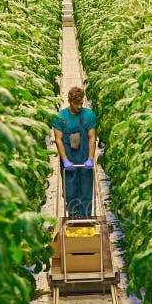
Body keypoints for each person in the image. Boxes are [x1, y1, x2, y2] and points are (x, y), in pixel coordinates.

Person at [52, 86, 97, 217]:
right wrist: (65, 160)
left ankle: (85, 219)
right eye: (76, 103)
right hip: (69, 160)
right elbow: (59, 139)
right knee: (70, 191)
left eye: (81, 103)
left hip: (84, 159)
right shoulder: (60, 117)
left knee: (86, 190)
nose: (79, 106)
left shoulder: (88, 115)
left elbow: (92, 137)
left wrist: (90, 158)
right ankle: (72, 218)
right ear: (69, 101)